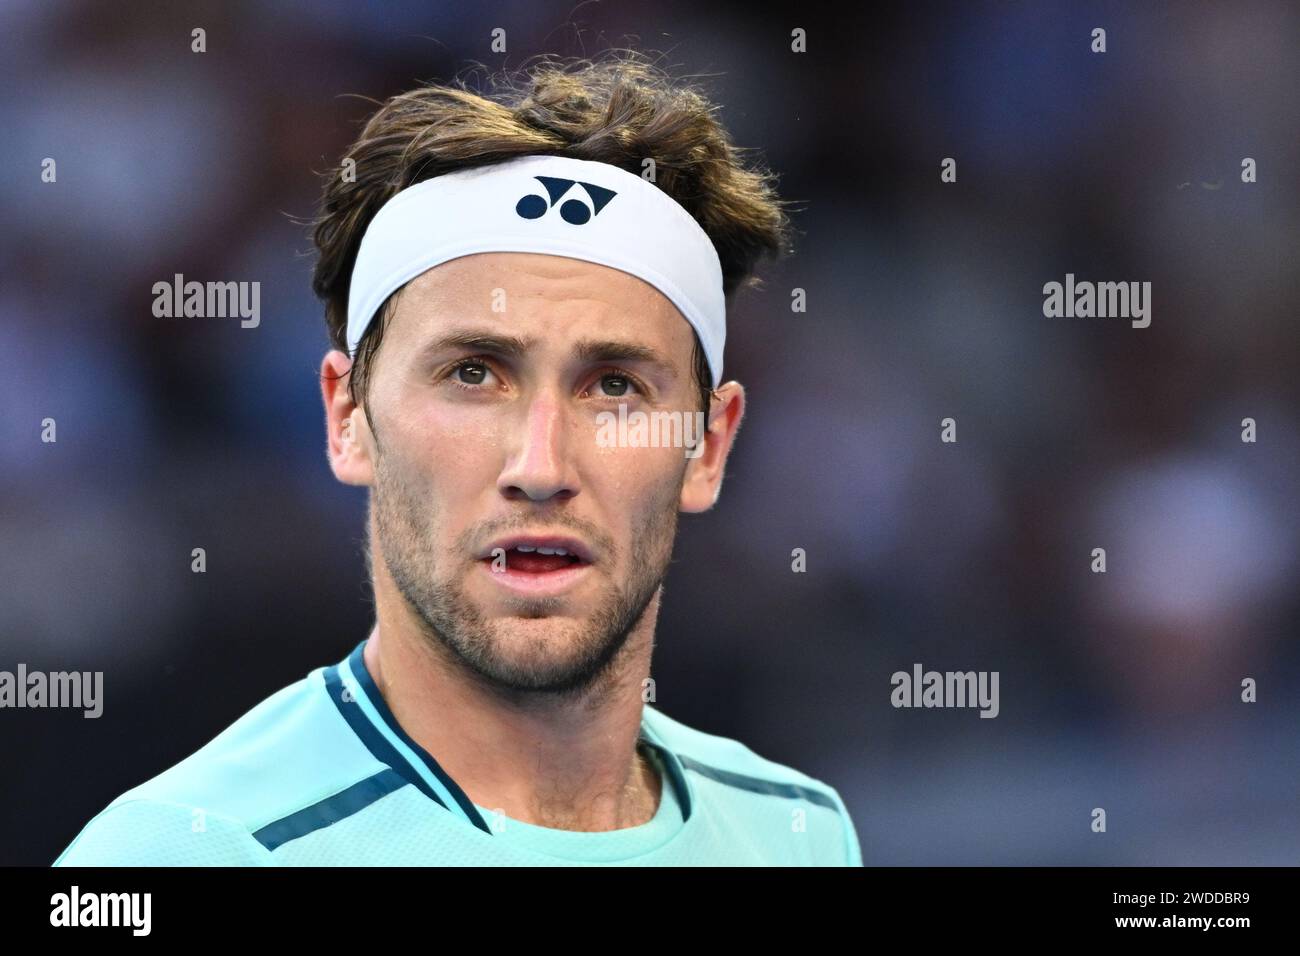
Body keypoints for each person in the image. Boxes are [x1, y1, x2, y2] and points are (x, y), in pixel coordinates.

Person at [54, 54, 862, 866]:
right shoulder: (174, 854)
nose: (541, 465)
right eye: (472, 374)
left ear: (707, 446)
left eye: (613, 385)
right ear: (348, 418)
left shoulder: (798, 833)